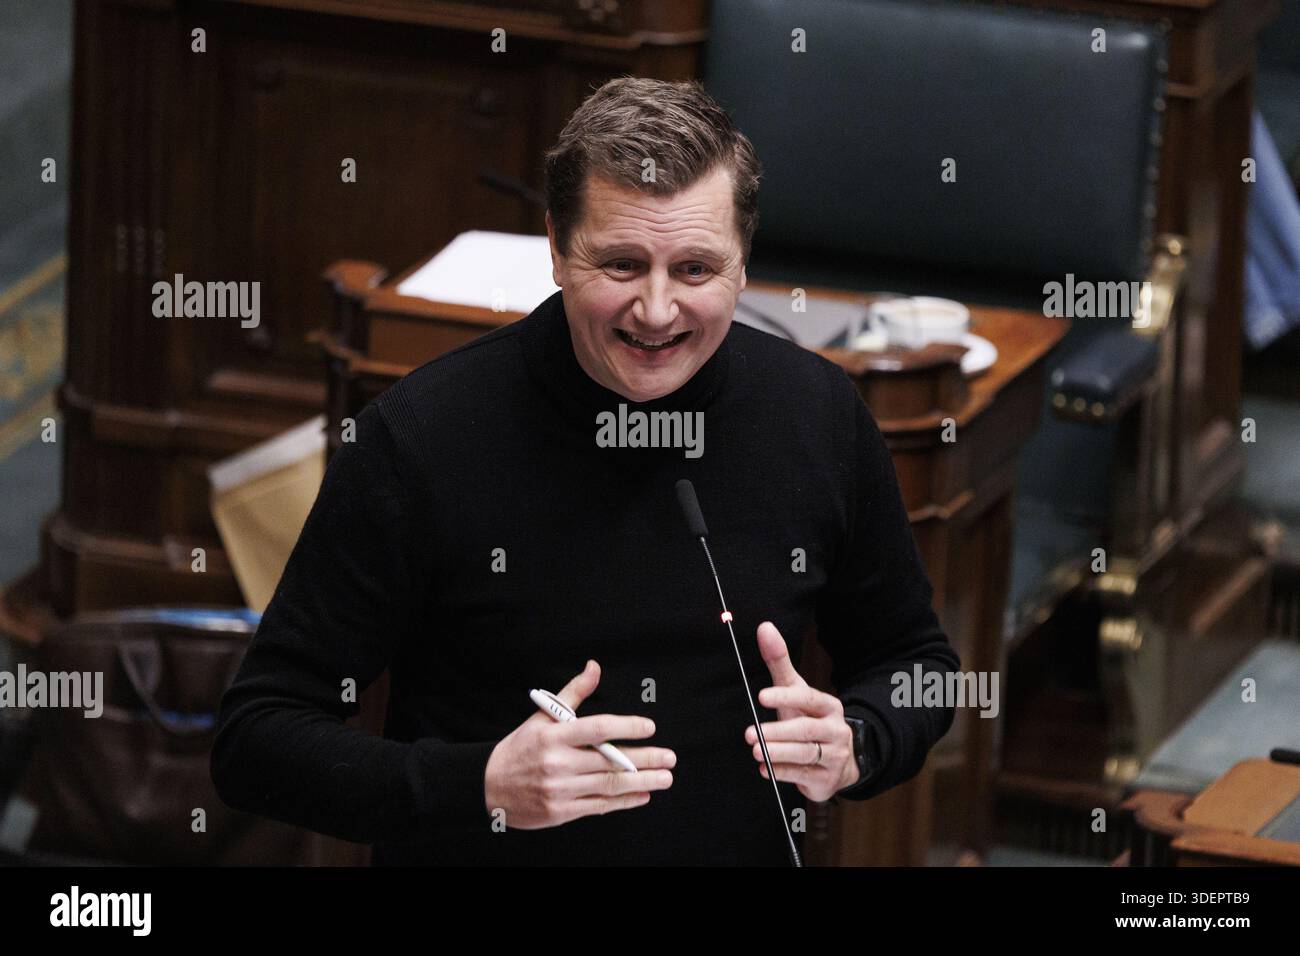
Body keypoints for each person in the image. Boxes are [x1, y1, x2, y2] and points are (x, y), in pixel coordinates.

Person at [211, 76, 961, 865]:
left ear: (744, 264)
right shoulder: (420, 438)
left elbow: (919, 665)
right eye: (622, 264)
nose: (657, 311)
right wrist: (483, 784)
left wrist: (860, 741)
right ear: (558, 251)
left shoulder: (817, 413)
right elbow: (257, 740)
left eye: (697, 270)